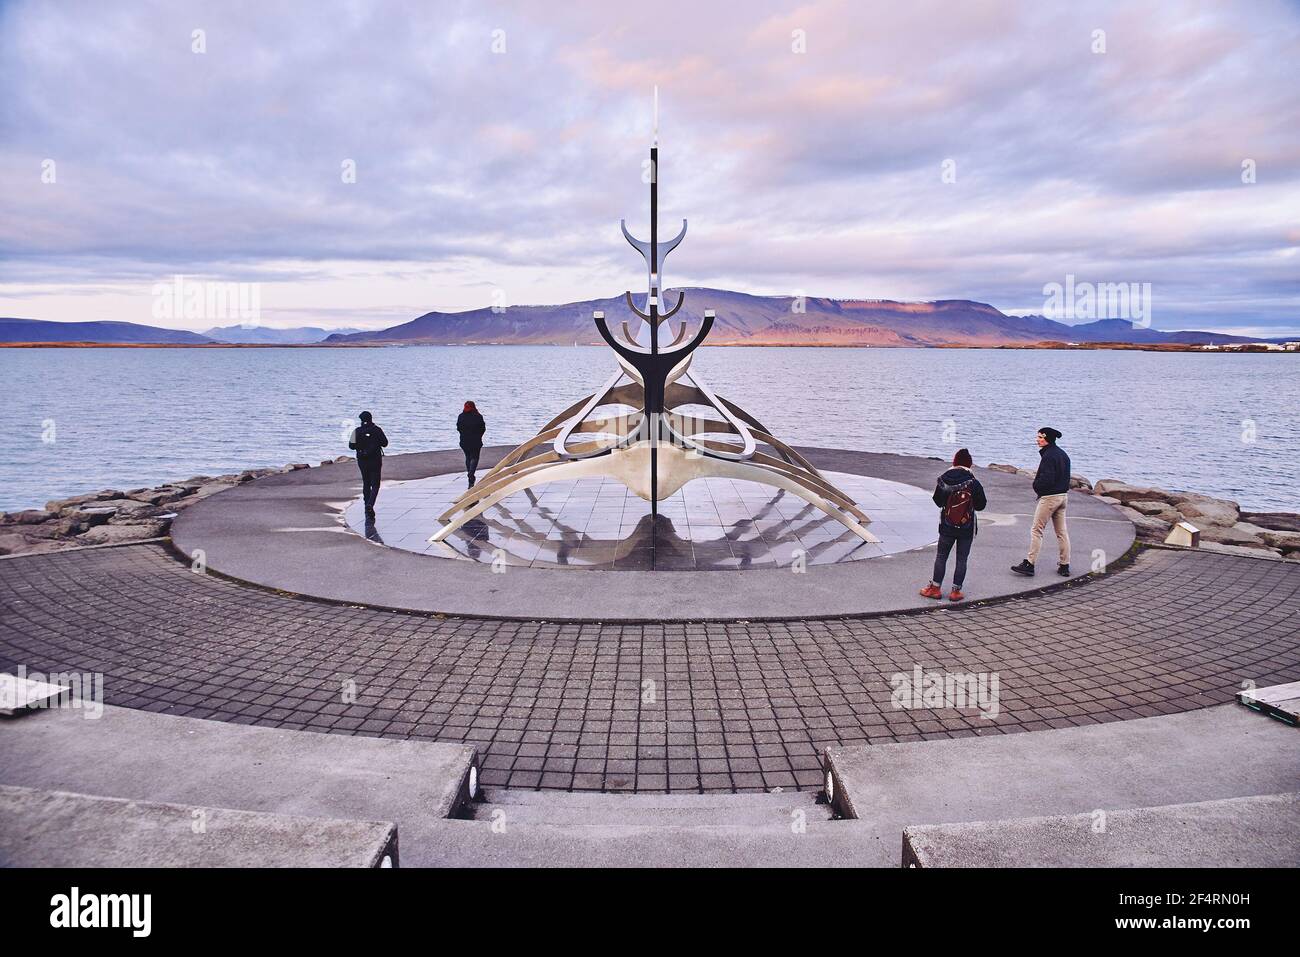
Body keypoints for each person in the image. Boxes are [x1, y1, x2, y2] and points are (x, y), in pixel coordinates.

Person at [920, 448, 987, 602]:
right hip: (967, 526)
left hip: (947, 525)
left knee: (941, 556)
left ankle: (935, 589)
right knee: (962, 559)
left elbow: (937, 501)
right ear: (969, 464)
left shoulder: (944, 478)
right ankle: (955, 592)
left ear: (954, 461)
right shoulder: (974, 482)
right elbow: (981, 505)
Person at [1011, 426, 1071, 577]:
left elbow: (1047, 480)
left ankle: (1029, 564)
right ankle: (1064, 565)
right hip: (1063, 497)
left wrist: (1036, 486)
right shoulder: (1063, 455)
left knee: (1037, 530)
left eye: (1040, 437)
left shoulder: (1049, 456)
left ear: (1047, 439)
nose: (1037, 440)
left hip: (1050, 498)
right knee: (1062, 532)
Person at [348, 410, 388, 518]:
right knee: (375, 484)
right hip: (375, 460)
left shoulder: (357, 431)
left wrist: (360, 446)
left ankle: (366, 505)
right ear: (371, 419)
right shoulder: (377, 430)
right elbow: (385, 443)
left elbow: (351, 446)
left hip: (362, 460)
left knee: (366, 482)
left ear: (361, 420)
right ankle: (370, 504)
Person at [457, 400, 486, 487]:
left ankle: (470, 475)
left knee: (468, 458)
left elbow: (458, 428)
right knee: (475, 458)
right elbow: (483, 428)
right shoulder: (478, 416)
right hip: (476, 441)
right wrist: (479, 436)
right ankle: (471, 473)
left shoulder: (461, 416)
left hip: (464, 441)